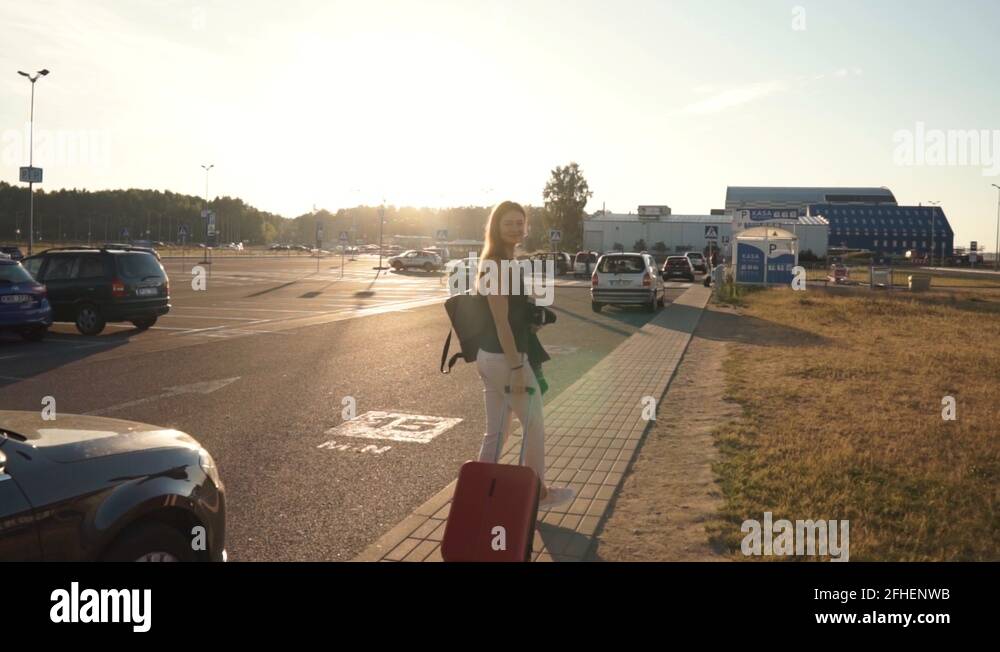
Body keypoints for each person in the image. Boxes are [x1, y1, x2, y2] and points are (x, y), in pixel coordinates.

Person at [474, 200, 575, 510]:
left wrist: (530, 324)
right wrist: (518, 365)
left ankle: (478, 495)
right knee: (534, 425)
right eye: (509, 223)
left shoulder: (502, 261)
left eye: (520, 223)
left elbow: (508, 317)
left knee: (498, 430)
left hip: (490, 357)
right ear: (496, 227)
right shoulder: (498, 264)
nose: (516, 228)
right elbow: (500, 321)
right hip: (507, 359)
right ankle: (538, 494)